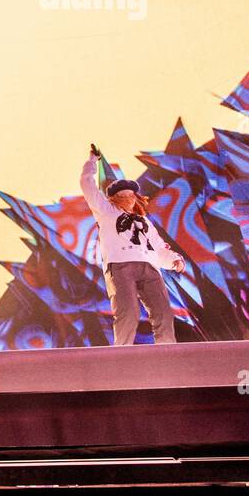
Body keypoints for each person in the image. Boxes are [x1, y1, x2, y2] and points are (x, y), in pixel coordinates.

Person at [80, 145, 185, 346]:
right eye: (122, 196)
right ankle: (122, 351)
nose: (127, 200)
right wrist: (92, 162)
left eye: (130, 196)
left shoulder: (145, 222)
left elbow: (158, 247)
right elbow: (87, 185)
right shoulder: (105, 211)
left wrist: (174, 261)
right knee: (128, 312)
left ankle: (167, 349)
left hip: (149, 267)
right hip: (121, 266)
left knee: (163, 312)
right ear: (114, 198)